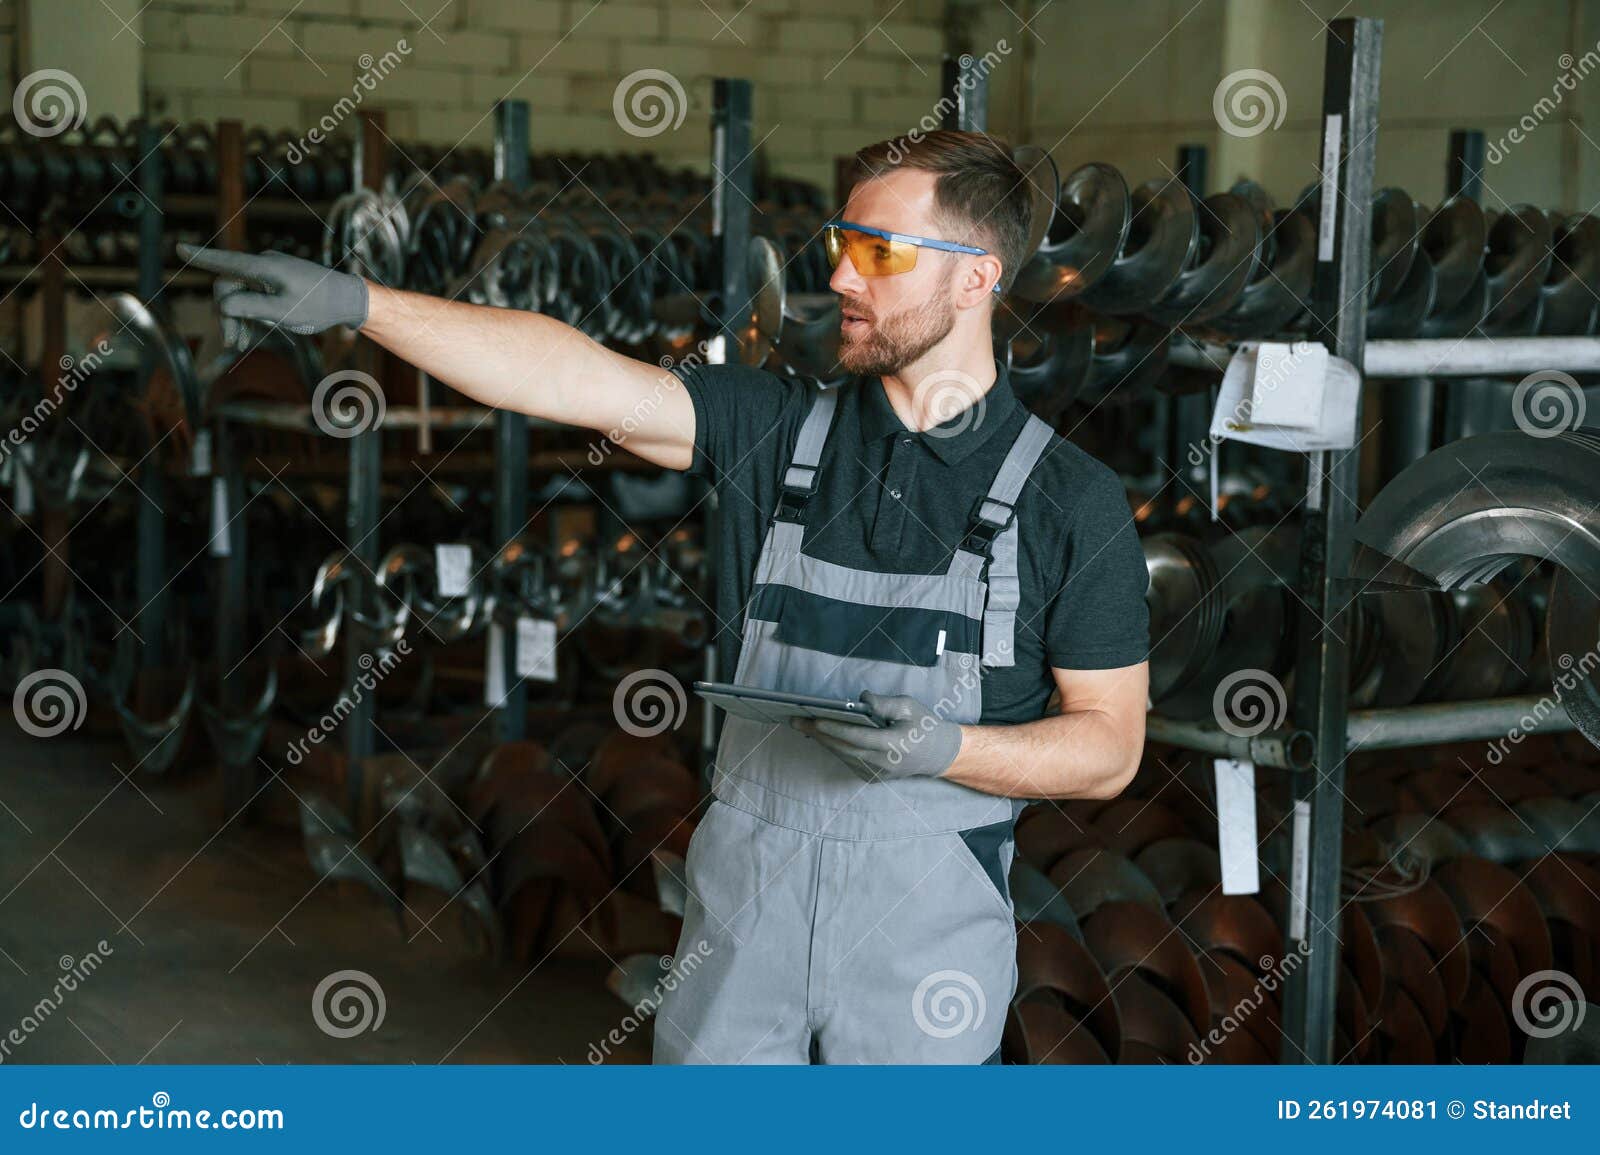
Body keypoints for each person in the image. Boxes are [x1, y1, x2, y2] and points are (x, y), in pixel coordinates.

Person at [180, 129, 1150, 1065]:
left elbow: (1108, 748)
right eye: (838, 246)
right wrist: (364, 302)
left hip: (923, 956)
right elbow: (568, 377)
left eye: (876, 251)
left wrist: (949, 750)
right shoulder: (774, 431)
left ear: (977, 276)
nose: (841, 278)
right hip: (740, 933)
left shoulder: (1069, 500)